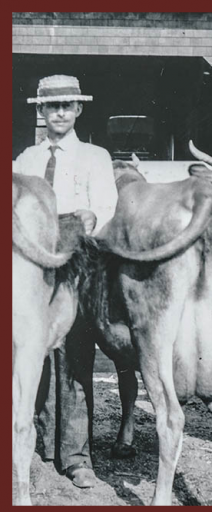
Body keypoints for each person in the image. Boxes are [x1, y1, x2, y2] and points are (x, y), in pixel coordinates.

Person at [15, 74, 118, 489]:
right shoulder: (25, 160)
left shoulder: (94, 157)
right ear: (40, 112)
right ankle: (36, 449)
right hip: (32, 271)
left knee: (75, 358)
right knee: (31, 356)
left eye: (66, 106)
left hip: (77, 267)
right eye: (50, 107)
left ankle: (76, 457)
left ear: (78, 110)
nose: (58, 113)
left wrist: (91, 218)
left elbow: (107, 207)